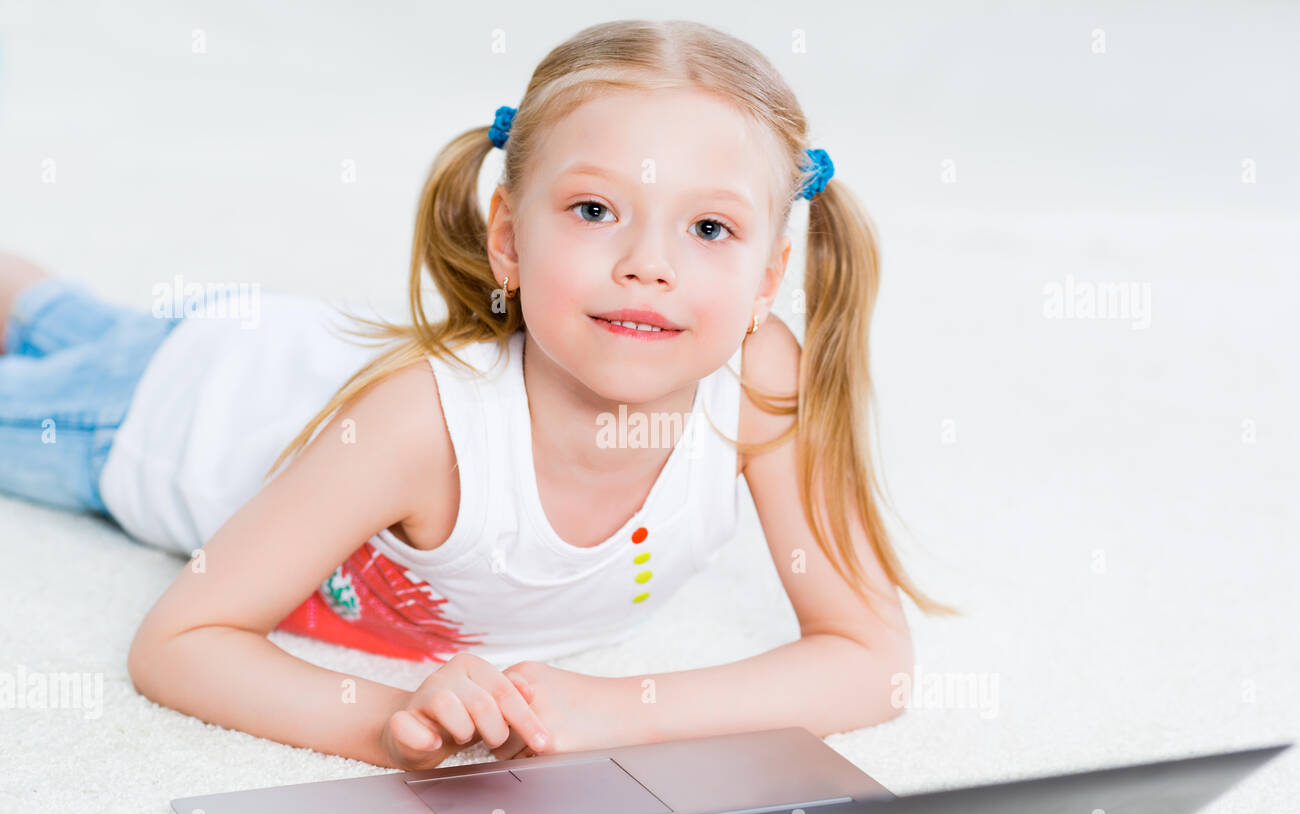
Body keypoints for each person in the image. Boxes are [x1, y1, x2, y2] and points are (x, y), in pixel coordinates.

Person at [0, 18, 959, 772]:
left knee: (60, 311)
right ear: (509, 237)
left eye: (709, 227)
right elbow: (179, 640)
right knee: (99, 350)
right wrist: (388, 721)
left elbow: (871, 657)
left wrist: (615, 710)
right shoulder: (423, 425)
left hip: (277, 344)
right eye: (594, 210)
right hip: (156, 411)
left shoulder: (761, 379)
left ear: (767, 277)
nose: (648, 266)